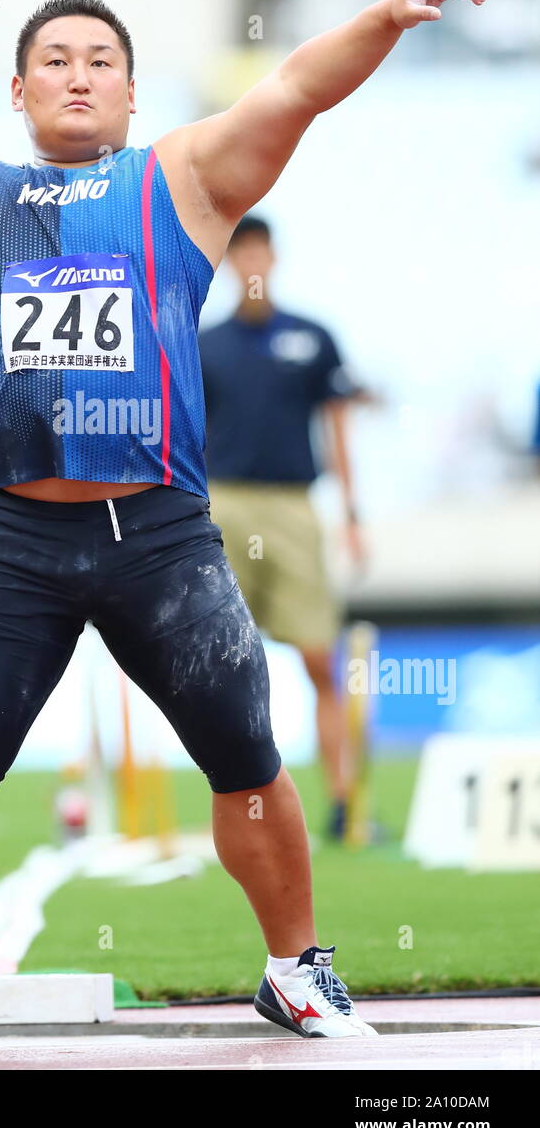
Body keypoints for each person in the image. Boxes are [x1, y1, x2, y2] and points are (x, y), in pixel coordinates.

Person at [0, 0, 484, 1048]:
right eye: (53, 61)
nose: (77, 76)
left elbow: (294, 91)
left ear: (131, 96)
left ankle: (294, 969)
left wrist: (381, 16)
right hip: (10, 536)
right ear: (19, 94)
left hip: (158, 533)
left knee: (245, 752)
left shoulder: (184, 182)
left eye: (101, 62)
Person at [199, 213, 363, 839]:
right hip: (224, 506)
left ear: (273, 257)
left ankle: (343, 801)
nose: (253, 264)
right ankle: (243, 801)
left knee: (320, 657)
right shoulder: (203, 344)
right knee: (225, 664)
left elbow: (338, 428)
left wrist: (351, 514)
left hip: (295, 507)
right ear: (231, 261)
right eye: (242, 253)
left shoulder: (313, 338)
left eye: (261, 251)